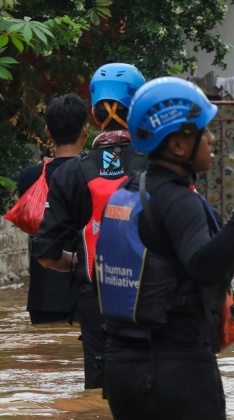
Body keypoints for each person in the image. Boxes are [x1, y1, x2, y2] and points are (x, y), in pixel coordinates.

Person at [96, 76, 234, 420]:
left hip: (121, 371)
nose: (213, 140)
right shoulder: (178, 201)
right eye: (204, 132)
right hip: (177, 370)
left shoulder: (129, 193)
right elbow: (204, 267)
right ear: (178, 143)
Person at [32, 62, 148, 391]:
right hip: (153, 295)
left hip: (95, 300)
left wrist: (80, 264)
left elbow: (46, 254)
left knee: (100, 393)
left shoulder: (71, 173)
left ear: (94, 117)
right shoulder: (161, 163)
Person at [16, 94, 88, 324]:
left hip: (42, 297)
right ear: (85, 130)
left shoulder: (30, 177)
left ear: (48, 132)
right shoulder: (95, 174)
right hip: (85, 292)